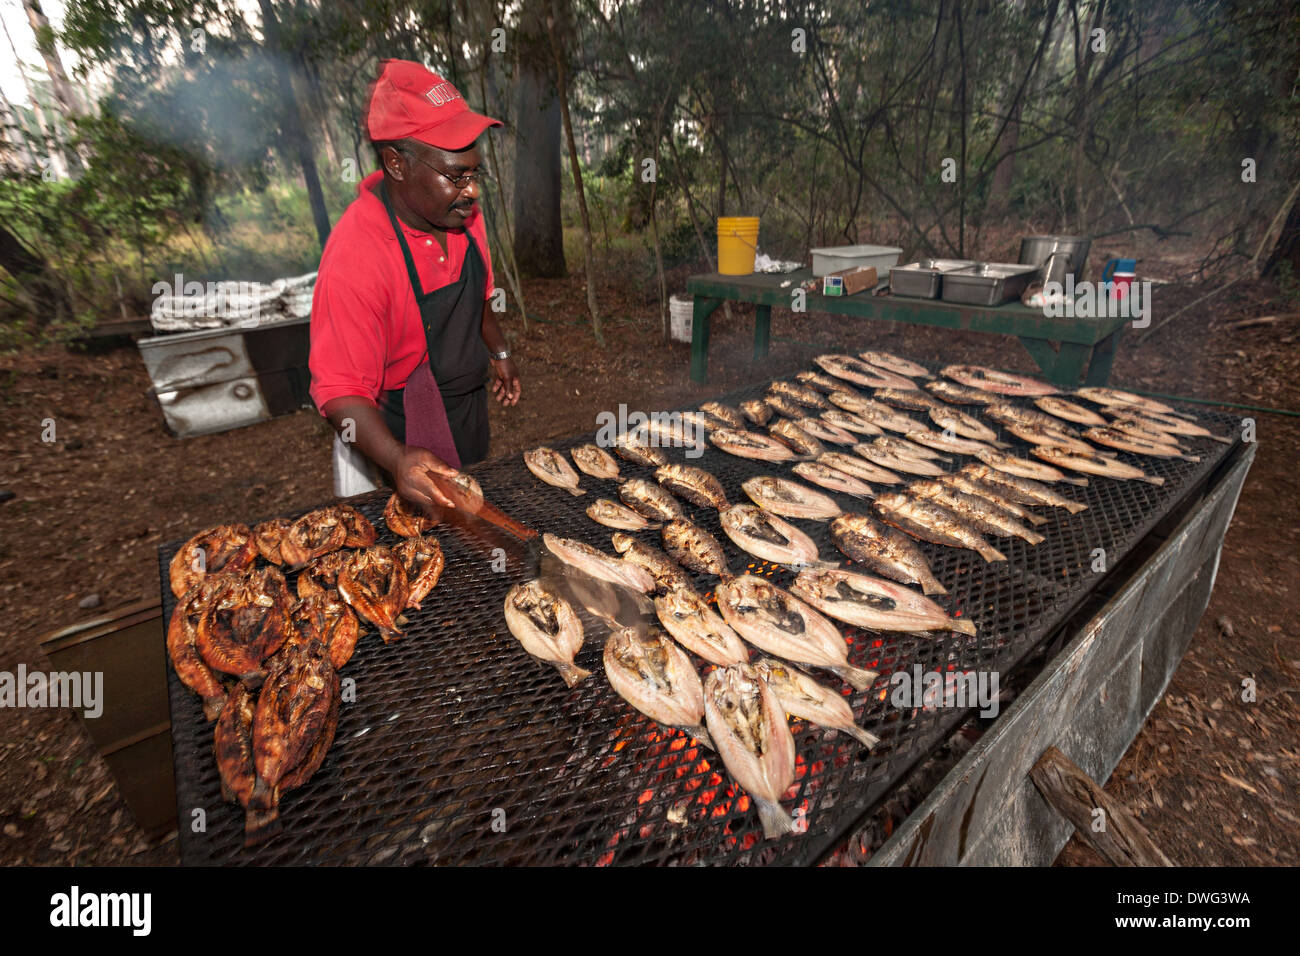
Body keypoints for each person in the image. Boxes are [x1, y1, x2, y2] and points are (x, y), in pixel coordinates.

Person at [308, 59, 521, 510]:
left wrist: (499, 351)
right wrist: (396, 457)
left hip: (462, 410)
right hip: (388, 433)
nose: (472, 192)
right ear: (396, 164)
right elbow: (340, 391)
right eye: (456, 175)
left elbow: (478, 294)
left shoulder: (462, 215)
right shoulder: (356, 256)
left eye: (475, 173)